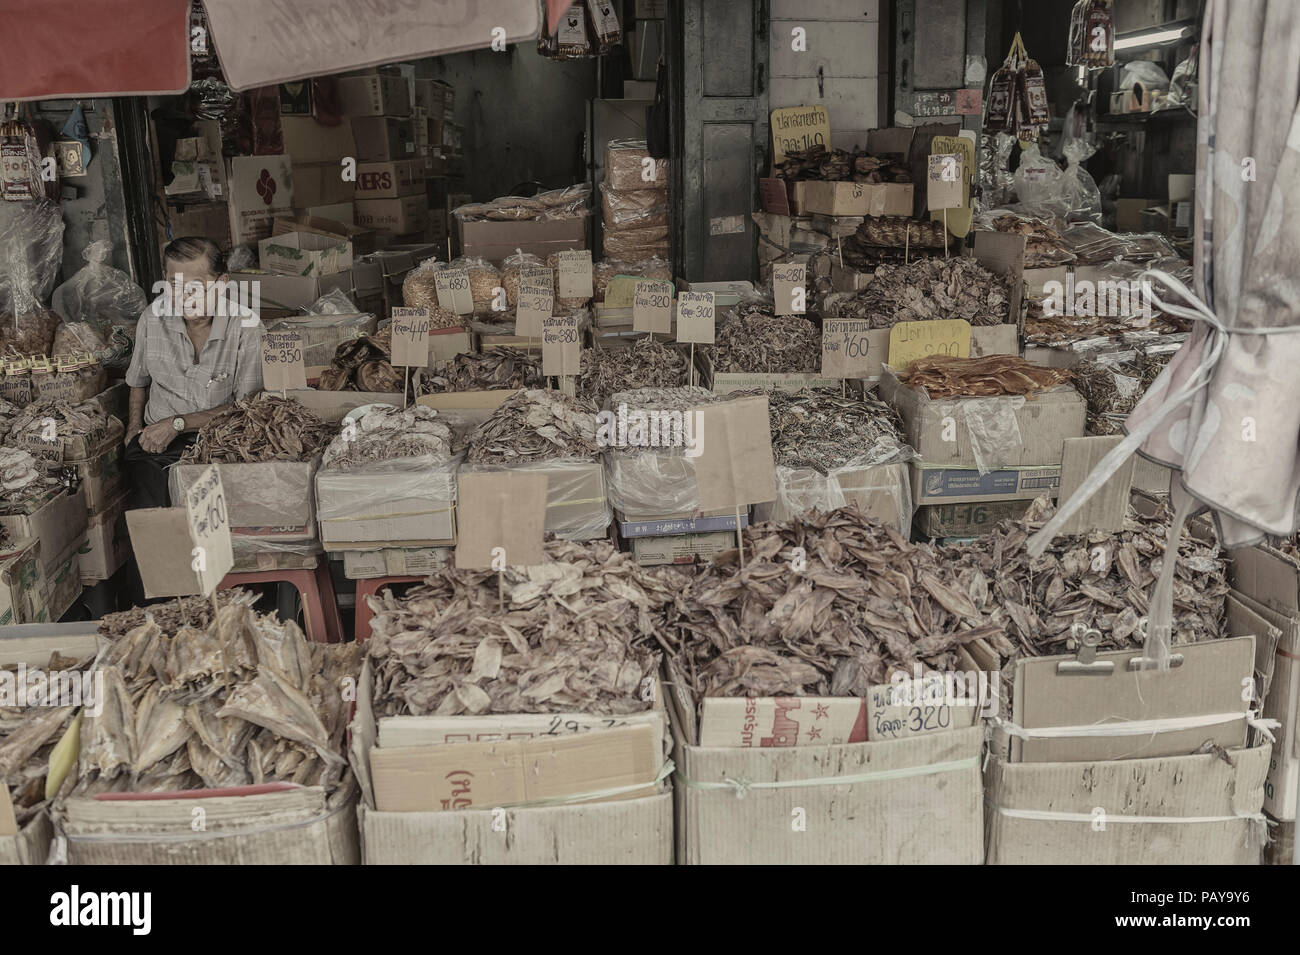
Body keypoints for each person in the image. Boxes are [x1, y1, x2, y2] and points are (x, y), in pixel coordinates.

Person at [124, 236, 263, 510]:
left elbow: (248, 407)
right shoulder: (152, 319)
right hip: (157, 444)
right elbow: (137, 382)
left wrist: (178, 423)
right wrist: (133, 427)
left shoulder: (247, 328)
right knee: (149, 506)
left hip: (222, 440)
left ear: (221, 283)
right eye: (174, 286)